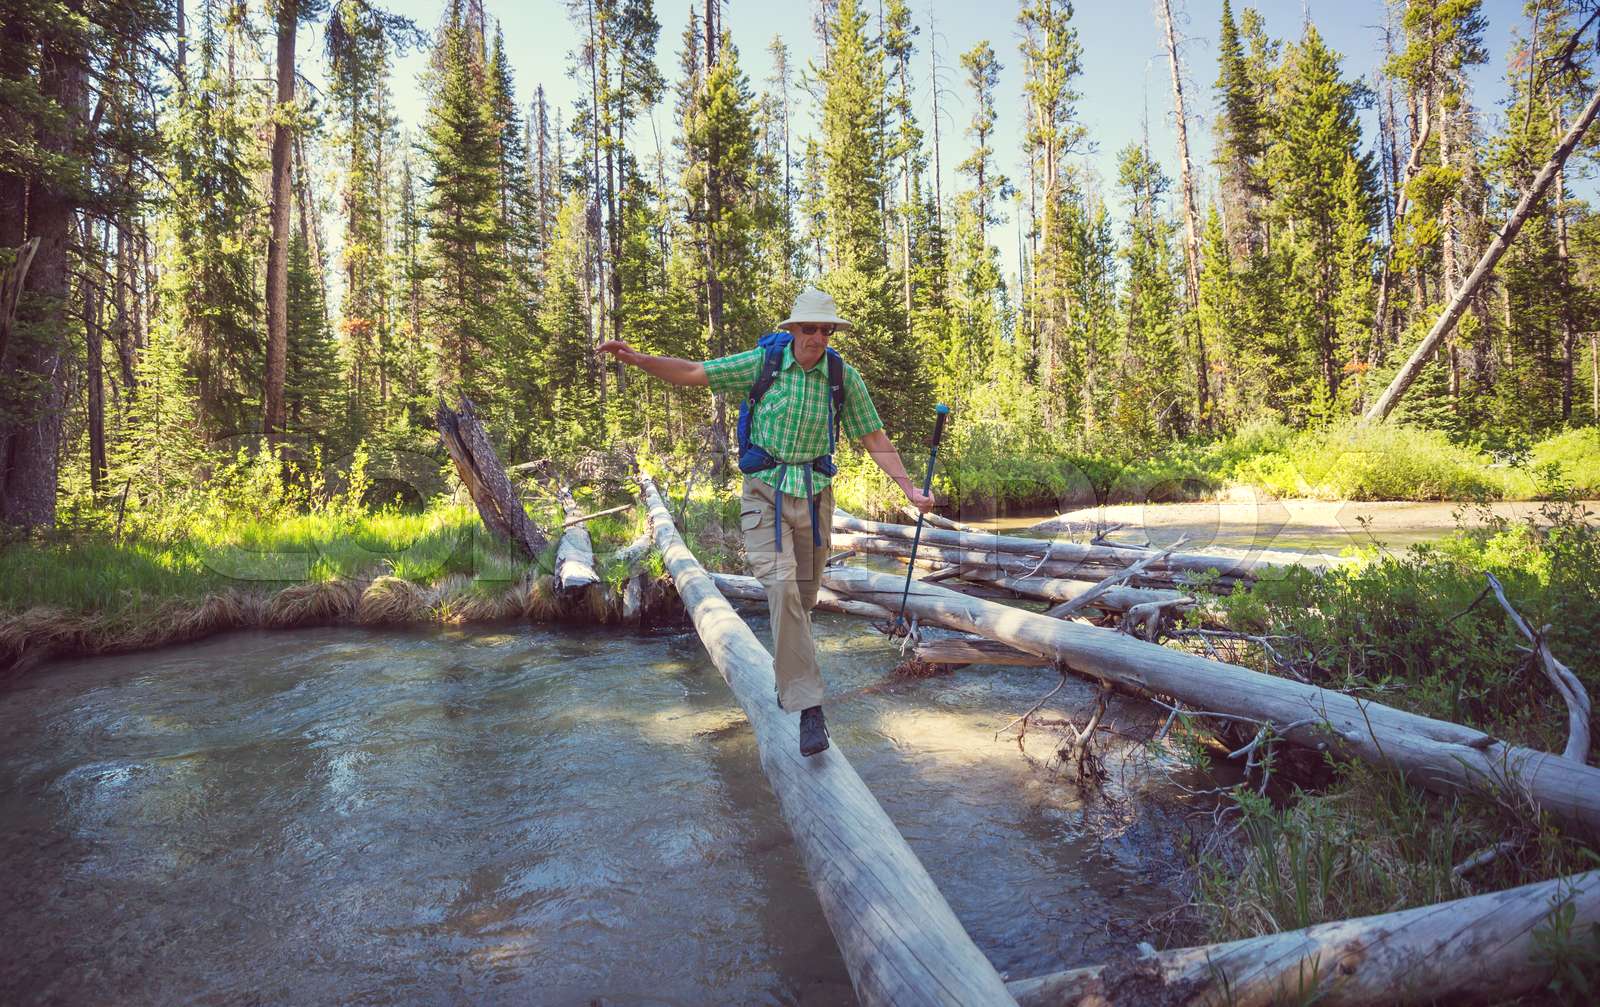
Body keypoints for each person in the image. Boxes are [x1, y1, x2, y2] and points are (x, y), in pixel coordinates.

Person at [597, 288, 934, 757]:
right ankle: (809, 707)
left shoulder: (842, 377)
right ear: (792, 330)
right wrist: (638, 359)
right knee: (782, 589)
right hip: (763, 494)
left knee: (806, 595)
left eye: (825, 329)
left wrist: (909, 490)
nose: (818, 337)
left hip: (815, 496)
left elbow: (872, 436)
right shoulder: (763, 365)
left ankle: (788, 676)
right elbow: (695, 371)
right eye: (809, 328)